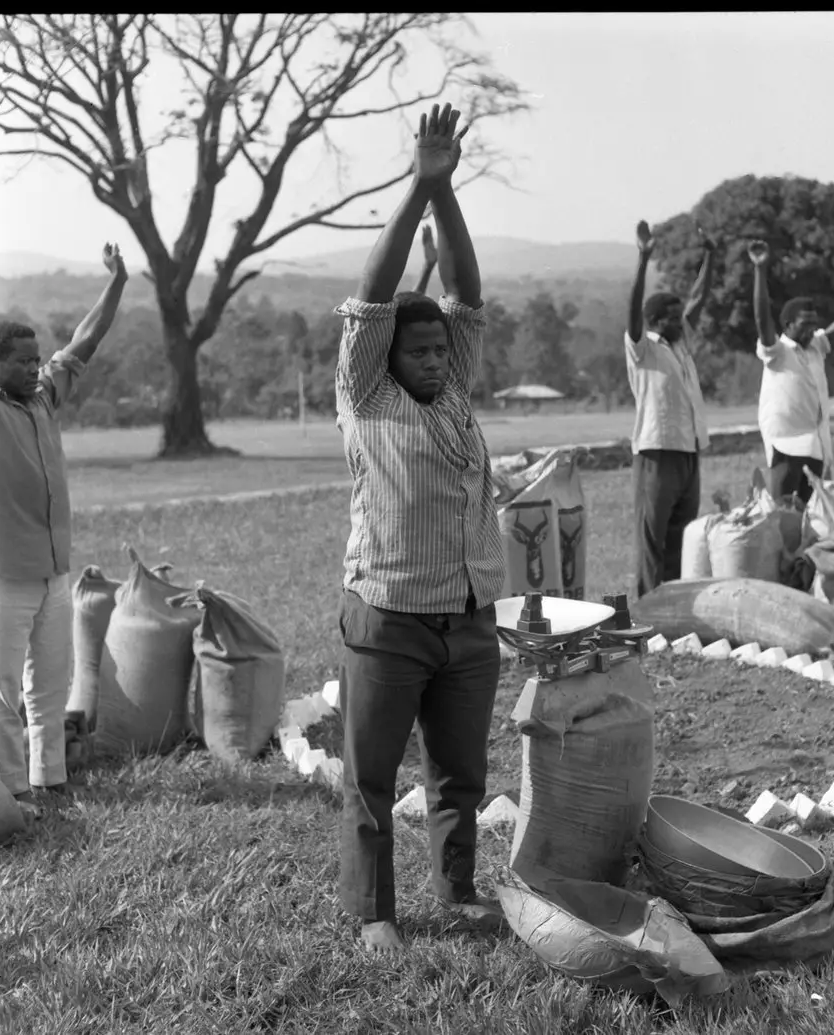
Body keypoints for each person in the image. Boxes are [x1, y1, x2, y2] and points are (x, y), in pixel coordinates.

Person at [333, 102, 504, 953]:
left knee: (460, 774)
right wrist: (416, 188)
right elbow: (372, 300)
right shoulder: (367, 393)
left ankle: (458, 886)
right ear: (387, 358)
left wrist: (450, 196)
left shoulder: (458, 389)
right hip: (390, 616)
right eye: (420, 351)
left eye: (442, 350)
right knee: (370, 779)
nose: (435, 359)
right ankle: (374, 914)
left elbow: (466, 294)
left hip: (468, 617)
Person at [0, 244, 129, 814]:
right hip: (4, 573)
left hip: (53, 572)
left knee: (49, 685)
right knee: (3, 689)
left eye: (35, 358)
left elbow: (86, 341)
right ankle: (13, 789)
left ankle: (51, 783)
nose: (33, 367)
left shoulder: (42, 396)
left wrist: (116, 281)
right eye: (20, 360)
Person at [625, 220, 716, 598]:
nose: (683, 320)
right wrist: (644, 260)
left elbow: (699, 297)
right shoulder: (642, 347)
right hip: (657, 450)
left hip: (689, 450)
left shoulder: (679, 344)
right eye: (675, 316)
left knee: (683, 531)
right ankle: (647, 604)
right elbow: (632, 312)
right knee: (653, 535)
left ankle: (673, 602)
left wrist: (709, 255)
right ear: (658, 320)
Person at [749, 239, 834, 504]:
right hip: (785, 446)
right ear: (788, 324)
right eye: (805, 324)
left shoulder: (816, 346)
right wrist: (759, 270)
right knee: (784, 512)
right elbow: (762, 319)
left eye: (814, 324)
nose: (811, 330)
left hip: (816, 445)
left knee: (814, 515)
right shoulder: (776, 351)